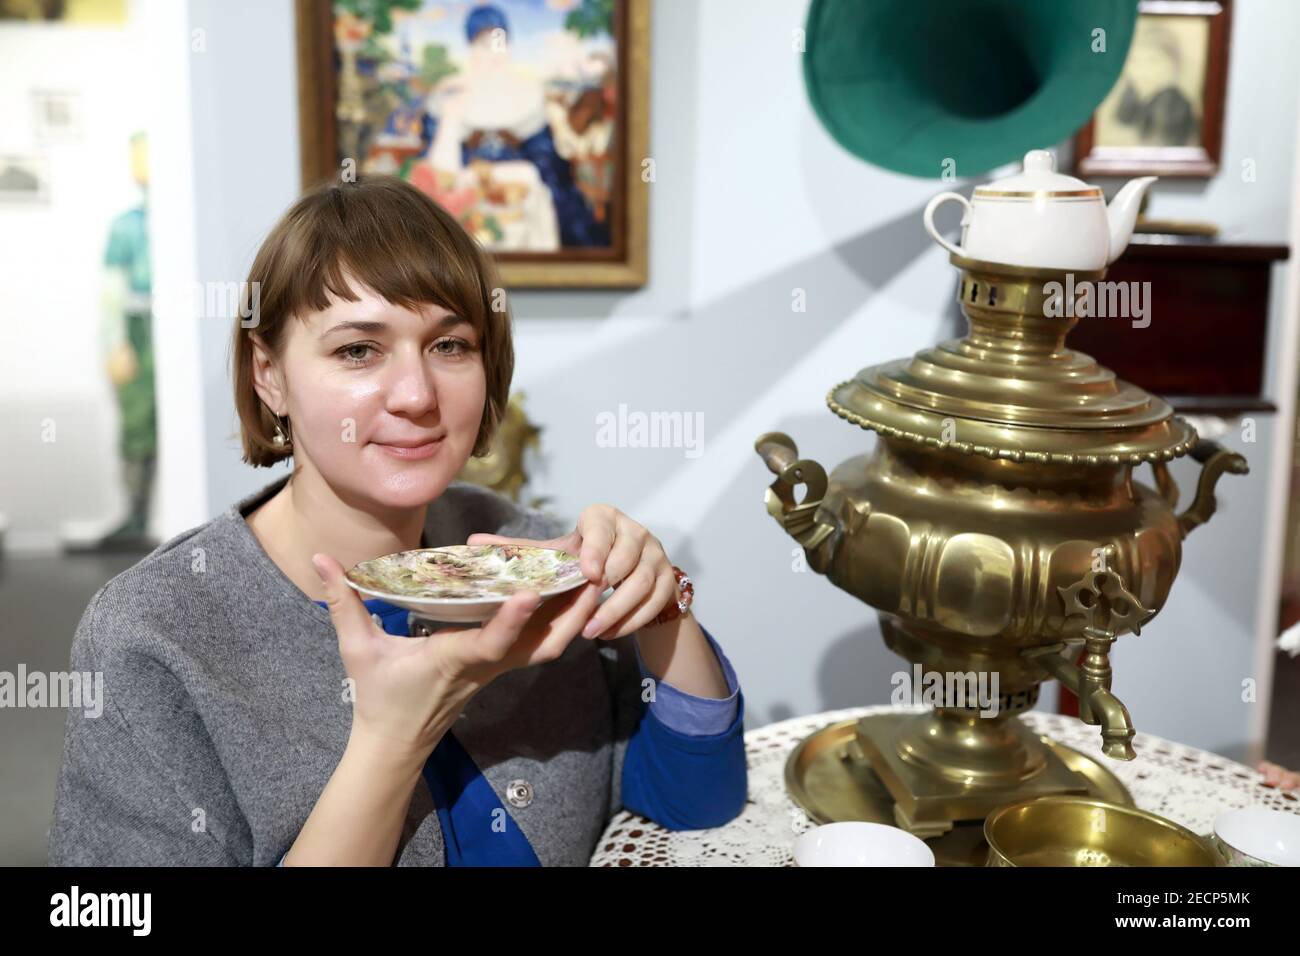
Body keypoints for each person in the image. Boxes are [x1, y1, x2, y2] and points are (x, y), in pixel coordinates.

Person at [47, 175, 745, 866]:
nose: (416, 395)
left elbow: (694, 807)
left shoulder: (529, 561)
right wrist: (393, 739)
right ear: (270, 376)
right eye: (358, 350)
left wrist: (662, 608)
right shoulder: (155, 633)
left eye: (450, 346)